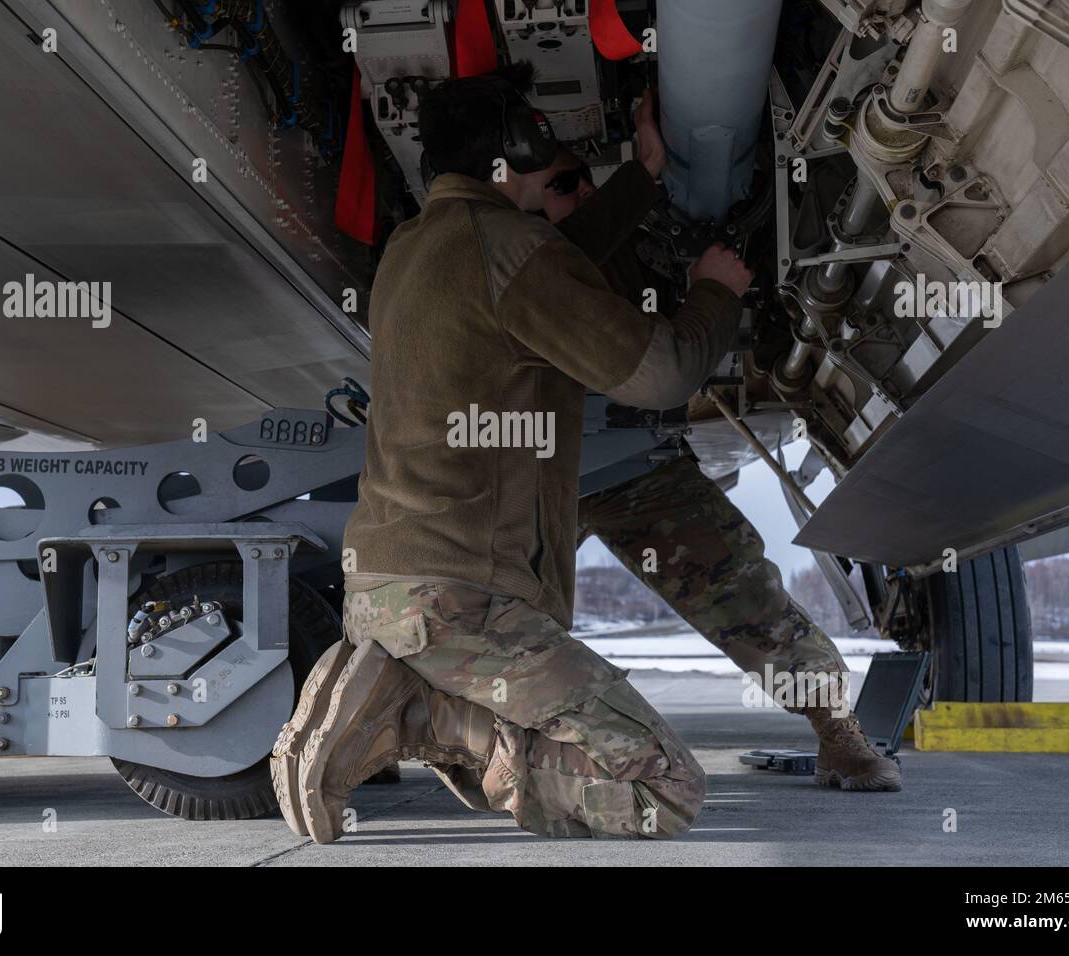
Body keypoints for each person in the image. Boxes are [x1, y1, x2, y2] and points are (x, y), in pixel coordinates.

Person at [270, 68, 750, 841]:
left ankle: (407, 695)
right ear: (518, 147)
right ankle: (432, 718)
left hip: (390, 590)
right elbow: (662, 370)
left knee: (591, 749)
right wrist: (714, 293)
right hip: (464, 605)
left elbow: (547, 274)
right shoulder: (511, 248)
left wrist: (643, 177)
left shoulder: (417, 245)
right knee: (668, 792)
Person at [540, 147, 902, 792]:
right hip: (530, 472)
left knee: (740, 588)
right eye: (564, 186)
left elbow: (676, 352)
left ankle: (834, 729)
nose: (584, 195)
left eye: (588, 184)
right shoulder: (514, 258)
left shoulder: (628, 247)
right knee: (475, 607)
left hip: (632, 464)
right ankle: (439, 736)